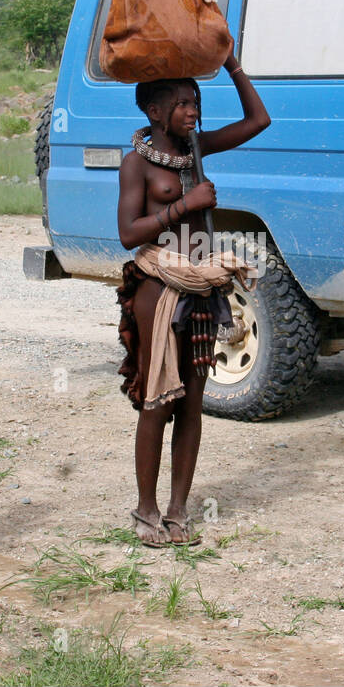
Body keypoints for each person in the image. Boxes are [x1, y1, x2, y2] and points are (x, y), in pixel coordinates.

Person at [116, 49, 269, 547]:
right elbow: (127, 232)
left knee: (193, 401)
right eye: (181, 103)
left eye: (196, 101)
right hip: (158, 287)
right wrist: (186, 203)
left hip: (201, 282)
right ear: (154, 112)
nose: (192, 110)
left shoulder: (198, 149)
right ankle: (146, 510)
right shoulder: (135, 164)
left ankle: (180, 508)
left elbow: (258, 120)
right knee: (157, 400)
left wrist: (233, 66)